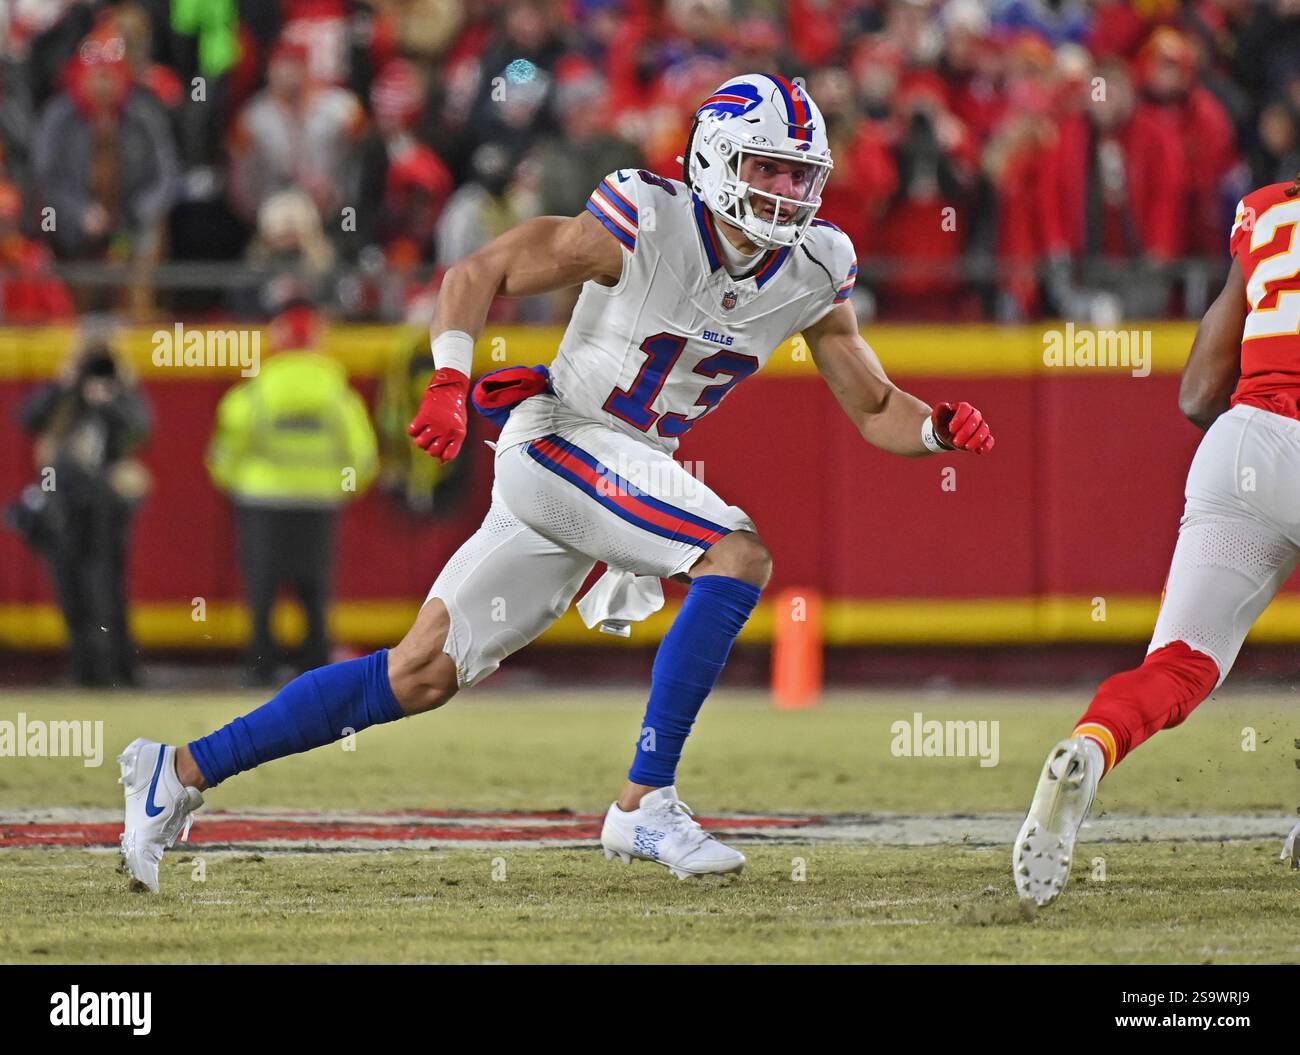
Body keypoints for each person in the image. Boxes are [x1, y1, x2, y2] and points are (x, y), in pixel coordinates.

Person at [119, 73, 995, 892]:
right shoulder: (644, 219)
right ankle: (643, 802)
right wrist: (449, 377)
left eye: (800, 174)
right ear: (715, 158)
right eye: (766, 167)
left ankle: (180, 770)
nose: (785, 192)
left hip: (608, 472)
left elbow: (874, 404)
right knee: (735, 554)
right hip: (560, 439)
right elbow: (481, 271)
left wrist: (934, 428)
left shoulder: (813, 268)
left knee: (417, 671)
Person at [1014, 172, 1300, 907]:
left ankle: (1089, 747)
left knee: (1179, 664)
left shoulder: (1268, 211)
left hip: (1242, 440)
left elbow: (1198, 391)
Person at [206, 300, 379, 686]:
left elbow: (226, 448)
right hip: (318, 505)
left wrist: (238, 484)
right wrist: (339, 489)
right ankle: (314, 672)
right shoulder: (338, 394)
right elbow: (362, 455)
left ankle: (259, 669)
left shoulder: (255, 392)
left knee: (262, 593)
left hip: (261, 502)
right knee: (315, 595)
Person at [17, 338, 151, 686]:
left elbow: (141, 426)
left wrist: (110, 398)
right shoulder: (64, 397)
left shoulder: (119, 396)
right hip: (63, 506)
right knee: (70, 589)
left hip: (105, 509)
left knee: (106, 590)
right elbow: (26, 417)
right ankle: (82, 671)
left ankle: (116, 671)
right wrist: (62, 384)